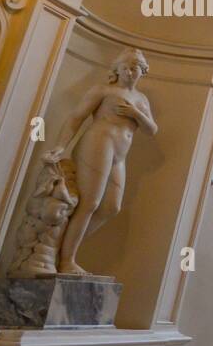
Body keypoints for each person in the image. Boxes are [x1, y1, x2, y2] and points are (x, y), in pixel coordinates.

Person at [46, 48, 158, 274]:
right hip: (99, 143)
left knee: (110, 207)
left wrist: (135, 113)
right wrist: (61, 145)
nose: (130, 71)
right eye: (125, 67)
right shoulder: (103, 90)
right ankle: (67, 261)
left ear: (142, 72)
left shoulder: (140, 100)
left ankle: (60, 248)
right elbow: (76, 117)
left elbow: (151, 129)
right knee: (90, 203)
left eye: (135, 67)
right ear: (116, 70)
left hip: (120, 154)